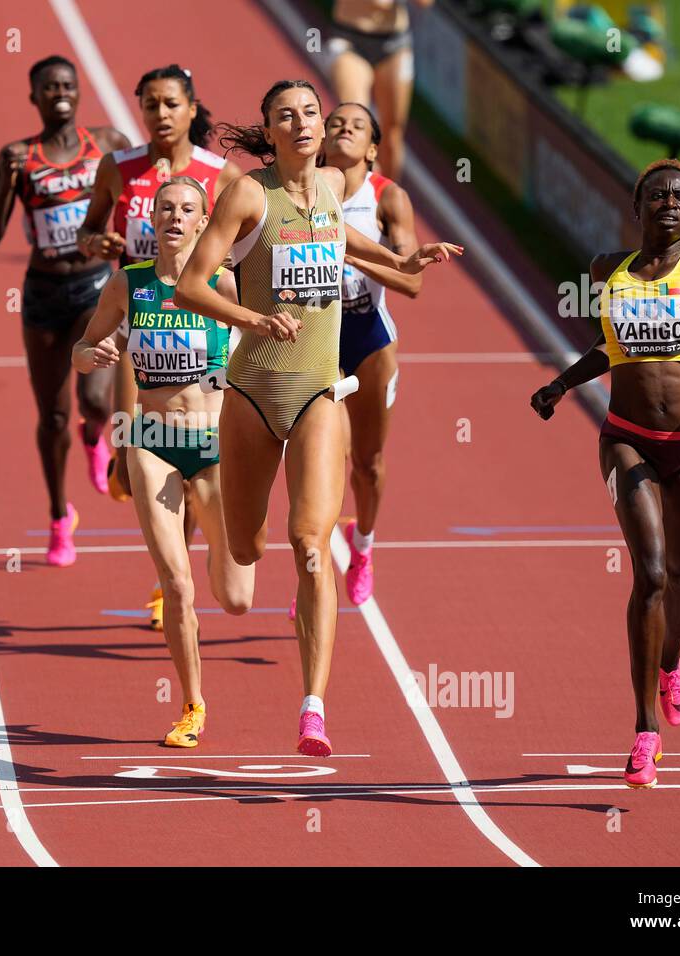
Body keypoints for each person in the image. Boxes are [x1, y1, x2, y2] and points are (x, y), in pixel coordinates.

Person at [176, 79, 461, 756]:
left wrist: (402, 260)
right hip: (249, 393)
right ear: (270, 130)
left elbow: (344, 243)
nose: (304, 123)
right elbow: (189, 282)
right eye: (288, 116)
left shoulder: (333, 187)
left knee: (311, 547)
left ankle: (312, 709)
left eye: (310, 112)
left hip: (317, 394)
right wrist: (253, 318)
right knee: (246, 550)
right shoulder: (248, 193)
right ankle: (220, 521)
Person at [530, 159, 680, 788]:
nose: (670, 202)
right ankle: (644, 732)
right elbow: (611, 346)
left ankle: (671, 666)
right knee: (654, 572)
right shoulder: (607, 270)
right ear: (638, 208)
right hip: (627, 440)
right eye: (658, 195)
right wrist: (560, 384)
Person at [74, 177, 253, 747]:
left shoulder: (224, 284)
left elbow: (262, 359)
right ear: (150, 219)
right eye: (165, 209)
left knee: (237, 598)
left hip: (215, 444)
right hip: (151, 439)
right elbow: (83, 352)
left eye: (187, 210)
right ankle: (193, 704)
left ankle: (230, 549)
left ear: (204, 222)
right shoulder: (129, 285)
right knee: (176, 584)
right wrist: (92, 354)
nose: (175, 217)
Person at [78, 64, 242, 628]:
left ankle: (178, 580)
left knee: (194, 453)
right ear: (140, 110)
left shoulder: (219, 173)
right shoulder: (117, 168)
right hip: (138, 323)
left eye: (172, 103)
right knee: (134, 453)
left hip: (202, 325)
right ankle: (173, 574)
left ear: (192, 108)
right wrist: (96, 241)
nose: (161, 113)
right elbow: (88, 231)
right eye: (150, 103)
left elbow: (251, 240)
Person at [0, 55, 130, 566]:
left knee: (94, 400)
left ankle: (95, 436)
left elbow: (142, 189)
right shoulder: (19, 155)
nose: (59, 93)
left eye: (67, 84)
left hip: (94, 291)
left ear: (78, 92)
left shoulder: (106, 143)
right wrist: (5, 181)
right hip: (44, 295)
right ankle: (59, 517)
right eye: (48, 87)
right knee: (52, 416)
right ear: (34, 97)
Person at [322, 101, 421, 606]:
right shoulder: (304, 192)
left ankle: (363, 546)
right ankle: (315, 571)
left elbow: (413, 281)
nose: (343, 129)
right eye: (335, 123)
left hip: (368, 339)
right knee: (324, 459)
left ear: (373, 149)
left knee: (369, 463)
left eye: (356, 125)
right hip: (316, 340)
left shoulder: (387, 198)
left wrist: (350, 252)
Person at [325, 0, 434, 179]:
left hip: (394, 44)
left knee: (392, 132)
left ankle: (388, 197)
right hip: (349, 38)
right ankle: (363, 191)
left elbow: (425, 3)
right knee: (356, 120)